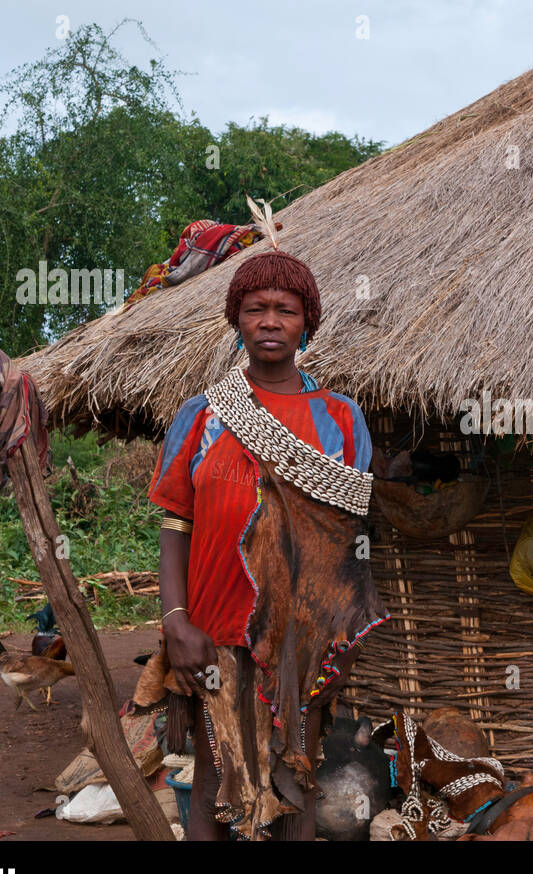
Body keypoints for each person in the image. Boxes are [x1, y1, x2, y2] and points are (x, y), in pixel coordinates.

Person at [150, 247, 383, 841]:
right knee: (213, 779)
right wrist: (176, 619)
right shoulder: (202, 416)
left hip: (303, 637)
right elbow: (176, 522)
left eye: (286, 309)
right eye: (256, 309)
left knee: (296, 775)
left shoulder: (341, 418)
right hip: (211, 632)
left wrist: (342, 638)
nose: (271, 321)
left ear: (308, 320)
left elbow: (347, 539)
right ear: (237, 320)